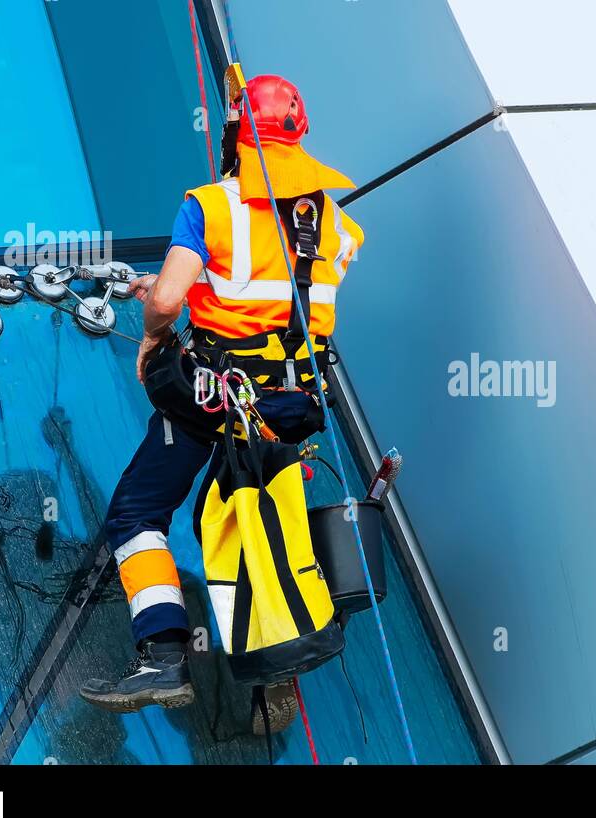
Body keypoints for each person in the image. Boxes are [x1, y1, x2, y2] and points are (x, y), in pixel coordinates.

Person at [79, 73, 363, 730]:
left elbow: (175, 301)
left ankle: (162, 657)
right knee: (262, 524)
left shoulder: (209, 206)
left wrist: (153, 334)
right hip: (287, 404)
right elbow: (273, 299)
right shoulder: (336, 225)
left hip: (215, 397)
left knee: (138, 513)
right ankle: (279, 677)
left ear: (236, 134)